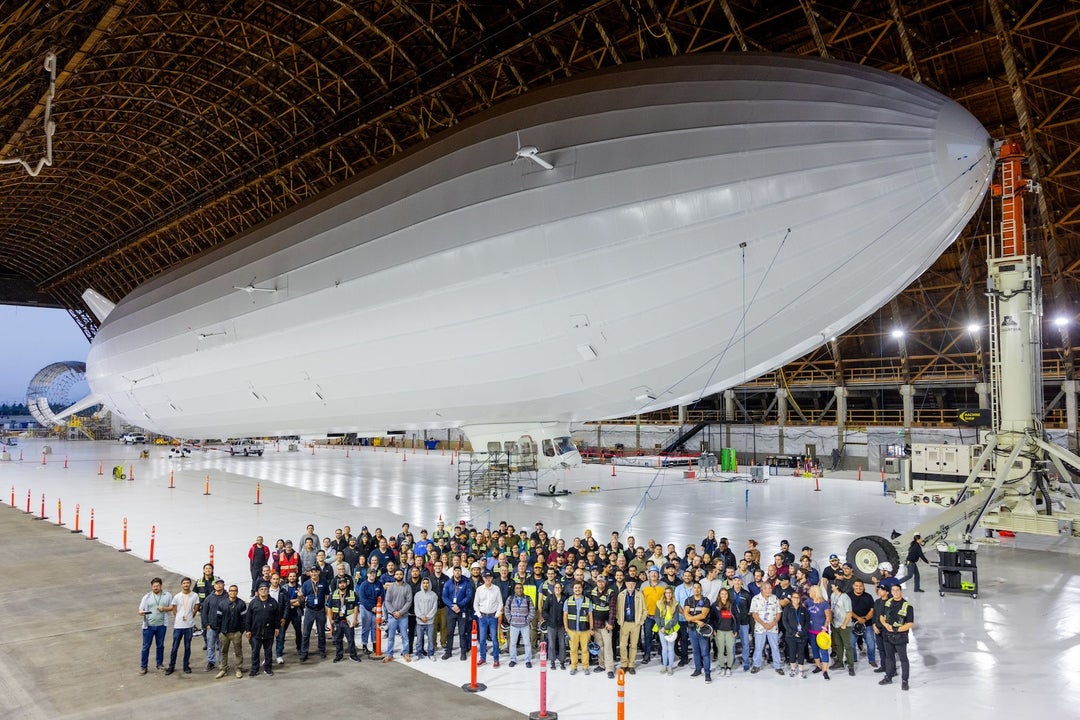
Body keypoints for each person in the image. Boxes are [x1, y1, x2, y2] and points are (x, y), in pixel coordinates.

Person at [878, 582, 915, 690]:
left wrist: (896, 629)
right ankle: (888, 676)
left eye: (897, 590)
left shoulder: (908, 606)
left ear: (901, 591)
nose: (895, 592)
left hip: (900, 636)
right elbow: (881, 617)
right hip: (887, 635)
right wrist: (885, 625)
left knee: (903, 659)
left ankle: (904, 680)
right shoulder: (887, 603)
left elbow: (910, 624)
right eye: (893, 590)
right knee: (889, 657)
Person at [138, 577, 173, 675]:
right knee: (145, 647)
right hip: (148, 626)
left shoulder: (167, 595)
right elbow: (140, 610)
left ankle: (159, 664)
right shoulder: (147, 597)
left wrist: (164, 608)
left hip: (161, 626)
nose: (155, 588)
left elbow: (172, 607)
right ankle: (143, 666)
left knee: (160, 645)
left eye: (157, 586)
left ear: (161, 586)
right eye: (154, 586)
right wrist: (141, 613)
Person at [164, 577, 199, 675]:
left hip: (189, 626)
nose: (186, 585)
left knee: (187, 647)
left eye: (187, 583)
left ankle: (186, 665)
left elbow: (196, 607)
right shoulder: (177, 596)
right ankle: (171, 666)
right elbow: (174, 609)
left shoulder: (194, 595)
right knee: (175, 647)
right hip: (178, 626)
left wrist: (191, 616)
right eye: (184, 583)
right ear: (181, 585)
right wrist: (180, 617)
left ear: (190, 584)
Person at [246, 582, 280, 676]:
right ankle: (254, 669)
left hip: (269, 632)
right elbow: (248, 617)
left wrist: (277, 628)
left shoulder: (273, 602)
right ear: (258, 592)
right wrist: (248, 630)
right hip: (256, 632)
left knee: (268, 651)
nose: (263, 591)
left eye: (265, 589)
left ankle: (268, 668)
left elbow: (277, 616)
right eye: (261, 589)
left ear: (268, 591)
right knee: (255, 652)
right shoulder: (253, 603)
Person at [749, 579, 783, 674]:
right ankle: (756, 665)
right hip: (760, 628)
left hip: (773, 627)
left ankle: (778, 666)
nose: (769, 590)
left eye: (770, 588)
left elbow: (779, 613)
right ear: (762, 590)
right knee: (758, 647)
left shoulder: (775, 598)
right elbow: (754, 614)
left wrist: (773, 623)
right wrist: (764, 624)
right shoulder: (755, 599)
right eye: (767, 588)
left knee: (775, 647)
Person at [214, 585, 247, 679]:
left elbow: (244, 619)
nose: (233, 592)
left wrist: (241, 631)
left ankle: (238, 669)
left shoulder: (241, 604)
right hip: (224, 633)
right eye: (231, 590)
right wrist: (220, 631)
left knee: (238, 652)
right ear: (228, 592)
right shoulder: (222, 604)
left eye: (235, 590)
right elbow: (218, 618)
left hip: (236, 632)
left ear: (237, 592)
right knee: (223, 651)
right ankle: (223, 669)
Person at [441, 565, 474, 660]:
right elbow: (444, 597)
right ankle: (448, 652)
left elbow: (468, 596)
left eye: (459, 571)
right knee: (449, 632)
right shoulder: (448, 583)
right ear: (453, 573)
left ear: (461, 572)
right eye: (456, 571)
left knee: (462, 633)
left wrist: (459, 605)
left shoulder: (466, 583)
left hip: (462, 610)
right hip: (451, 611)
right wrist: (452, 606)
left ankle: (463, 652)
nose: (457, 573)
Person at [327, 575, 362, 662]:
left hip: (348, 621)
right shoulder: (333, 594)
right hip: (337, 621)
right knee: (338, 640)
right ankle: (339, 655)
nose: (342, 585)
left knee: (350, 639)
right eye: (340, 583)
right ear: (338, 585)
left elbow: (356, 607)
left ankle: (353, 655)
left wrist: (355, 619)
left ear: (347, 584)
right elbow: (329, 607)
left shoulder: (352, 594)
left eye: (344, 583)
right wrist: (330, 620)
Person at [683, 581, 712, 683]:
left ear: (701, 589)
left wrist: (692, 618)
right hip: (692, 629)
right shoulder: (688, 600)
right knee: (696, 651)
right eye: (694, 588)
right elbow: (685, 615)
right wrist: (696, 621)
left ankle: (707, 673)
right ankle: (698, 670)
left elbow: (703, 615)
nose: (696, 589)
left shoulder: (706, 600)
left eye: (698, 588)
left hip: (703, 630)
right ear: (692, 589)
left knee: (705, 652)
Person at [383, 567, 414, 662]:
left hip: (403, 616)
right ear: (394, 576)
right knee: (391, 636)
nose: (398, 576)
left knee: (404, 636)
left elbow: (409, 602)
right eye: (397, 574)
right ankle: (389, 654)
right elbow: (387, 601)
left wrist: (400, 612)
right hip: (392, 616)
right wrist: (393, 612)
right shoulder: (391, 587)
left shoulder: (407, 587)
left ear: (403, 576)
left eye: (400, 574)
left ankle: (406, 653)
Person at [616, 576, 645, 674]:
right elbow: (617, 609)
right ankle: (624, 664)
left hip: (635, 623)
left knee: (633, 645)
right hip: (624, 623)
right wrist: (619, 620)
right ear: (626, 584)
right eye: (628, 584)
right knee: (623, 645)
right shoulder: (621, 595)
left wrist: (641, 621)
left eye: (632, 584)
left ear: (635, 585)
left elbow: (644, 610)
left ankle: (631, 664)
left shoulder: (640, 595)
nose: (630, 585)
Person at [299, 566, 329, 661]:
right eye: (312, 572)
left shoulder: (324, 582)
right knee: (306, 633)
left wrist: (326, 606)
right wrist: (300, 597)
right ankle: (304, 653)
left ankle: (322, 650)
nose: (314, 574)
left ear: (318, 572)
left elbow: (327, 594)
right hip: (309, 610)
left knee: (321, 632)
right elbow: (302, 596)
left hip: (320, 610)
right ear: (310, 573)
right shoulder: (306, 584)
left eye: (315, 572)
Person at [563, 580, 593, 675]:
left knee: (585, 650)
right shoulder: (568, 601)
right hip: (572, 630)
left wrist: (591, 629)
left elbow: (590, 616)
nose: (577, 589)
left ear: (582, 589)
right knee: (573, 650)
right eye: (575, 588)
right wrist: (566, 628)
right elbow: (565, 615)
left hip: (585, 630)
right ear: (573, 589)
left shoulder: (588, 601)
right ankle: (573, 667)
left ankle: (585, 667)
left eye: (579, 588)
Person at [504, 581, 535, 668]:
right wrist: (510, 619)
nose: (519, 590)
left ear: (523, 589)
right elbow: (506, 610)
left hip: (525, 625)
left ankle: (528, 660)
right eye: (517, 588)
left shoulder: (528, 599)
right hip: (514, 625)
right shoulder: (510, 599)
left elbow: (532, 611)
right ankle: (513, 659)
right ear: (514, 589)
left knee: (527, 643)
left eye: (520, 588)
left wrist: (527, 620)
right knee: (513, 643)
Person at [589, 573, 615, 677]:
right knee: (599, 646)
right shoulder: (592, 592)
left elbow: (613, 609)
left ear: (605, 582)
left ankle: (609, 668)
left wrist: (610, 623)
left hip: (606, 624)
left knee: (608, 646)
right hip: (596, 624)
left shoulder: (610, 593)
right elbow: (590, 609)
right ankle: (601, 664)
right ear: (596, 582)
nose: (600, 583)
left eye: (602, 581)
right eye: (599, 581)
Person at [847, 579, 877, 669]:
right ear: (853, 586)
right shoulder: (848, 596)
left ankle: (872, 660)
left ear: (863, 587)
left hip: (867, 624)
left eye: (860, 586)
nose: (858, 588)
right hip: (852, 623)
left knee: (871, 643)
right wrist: (858, 618)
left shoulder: (868, 597)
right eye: (857, 586)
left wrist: (865, 619)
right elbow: (848, 610)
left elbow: (872, 610)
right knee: (851, 643)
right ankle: (853, 659)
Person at [805, 584, 832, 679]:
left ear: (816, 592)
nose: (809, 593)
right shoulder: (808, 602)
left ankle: (825, 671)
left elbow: (828, 617)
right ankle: (818, 666)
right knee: (814, 649)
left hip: (822, 632)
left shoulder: (824, 603)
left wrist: (824, 629)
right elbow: (801, 607)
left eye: (811, 591)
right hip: (811, 630)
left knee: (823, 650)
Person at [781, 591, 811, 678]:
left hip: (802, 635)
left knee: (801, 653)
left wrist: (802, 632)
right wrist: (793, 632)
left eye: (797, 598)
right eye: (794, 597)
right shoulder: (787, 608)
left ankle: (801, 671)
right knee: (792, 652)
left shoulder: (803, 609)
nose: (796, 599)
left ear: (800, 599)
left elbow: (807, 622)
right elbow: (785, 622)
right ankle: (793, 669)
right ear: (791, 599)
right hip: (791, 635)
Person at [829, 580, 855, 676]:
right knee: (838, 645)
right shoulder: (832, 595)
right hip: (835, 624)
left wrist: (844, 624)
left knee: (847, 645)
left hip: (844, 625)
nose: (831, 586)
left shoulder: (845, 597)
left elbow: (849, 613)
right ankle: (840, 662)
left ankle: (851, 665)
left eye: (832, 585)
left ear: (837, 586)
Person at [200, 578, 227, 671]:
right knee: (210, 646)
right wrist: (206, 624)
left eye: (221, 584)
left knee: (221, 646)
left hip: (223, 627)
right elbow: (204, 612)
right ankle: (211, 662)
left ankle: (221, 662)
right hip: (211, 627)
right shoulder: (209, 598)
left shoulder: (227, 597)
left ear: (223, 585)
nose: (219, 585)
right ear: (214, 586)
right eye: (217, 584)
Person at [653, 586, 680, 675]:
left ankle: (670, 667)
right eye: (666, 593)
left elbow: (675, 619)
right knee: (664, 648)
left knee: (670, 648)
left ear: (672, 594)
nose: (668, 594)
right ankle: (664, 665)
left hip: (671, 629)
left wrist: (666, 627)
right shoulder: (659, 603)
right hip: (661, 629)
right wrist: (661, 627)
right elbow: (656, 616)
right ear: (664, 594)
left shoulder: (675, 604)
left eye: (670, 592)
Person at [357, 567, 383, 654]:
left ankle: (375, 645)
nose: (372, 574)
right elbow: (362, 599)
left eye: (373, 573)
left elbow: (382, 596)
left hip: (376, 608)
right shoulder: (363, 585)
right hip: (366, 608)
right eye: (370, 573)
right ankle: (364, 645)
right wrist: (372, 607)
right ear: (367, 574)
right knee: (366, 627)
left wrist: (378, 607)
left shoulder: (378, 584)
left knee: (375, 627)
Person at [729, 575, 752, 672]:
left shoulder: (746, 594)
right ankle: (732, 661)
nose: (737, 582)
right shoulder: (728, 593)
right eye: (735, 580)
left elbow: (750, 609)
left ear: (742, 582)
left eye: (739, 580)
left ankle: (746, 662)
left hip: (744, 622)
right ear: (732, 582)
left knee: (745, 643)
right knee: (732, 643)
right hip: (732, 623)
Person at [412, 577, 438, 660]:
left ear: (429, 584)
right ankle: (418, 653)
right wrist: (421, 616)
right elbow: (416, 608)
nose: (425, 584)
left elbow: (434, 608)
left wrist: (428, 617)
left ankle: (431, 653)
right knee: (419, 639)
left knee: (430, 639)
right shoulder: (417, 595)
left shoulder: (434, 595)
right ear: (422, 584)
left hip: (430, 621)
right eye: (424, 583)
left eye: (427, 583)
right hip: (420, 621)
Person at [714, 587, 737, 677]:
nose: (724, 596)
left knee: (730, 650)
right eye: (722, 594)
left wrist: (735, 630)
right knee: (720, 651)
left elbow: (736, 618)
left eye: (726, 594)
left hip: (730, 631)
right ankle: (722, 667)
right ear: (719, 595)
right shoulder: (715, 605)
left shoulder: (732, 605)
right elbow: (712, 619)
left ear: (728, 595)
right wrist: (714, 630)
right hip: (719, 631)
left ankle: (729, 668)